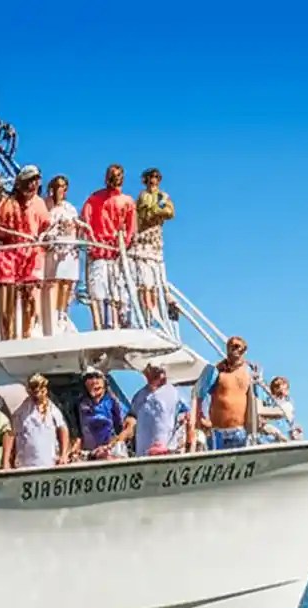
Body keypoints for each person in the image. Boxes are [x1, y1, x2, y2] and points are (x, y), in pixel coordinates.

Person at [0, 165, 50, 340]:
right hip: (9, 254)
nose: (32, 185)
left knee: (31, 294)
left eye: (35, 181)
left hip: (31, 254)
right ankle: (7, 336)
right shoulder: (6, 203)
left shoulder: (39, 203)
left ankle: (27, 333)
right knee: (7, 298)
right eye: (29, 181)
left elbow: (46, 226)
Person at [81, 164, 137, 330]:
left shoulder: (127, 201)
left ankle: (119, 323)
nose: (115, 178)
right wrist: (91, 242)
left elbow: (131, 228)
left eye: (118, 175)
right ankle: (101, 326)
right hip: (98, 252)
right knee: (98, 292)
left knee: (118, 291)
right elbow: (86, 221)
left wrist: (124, 245)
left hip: (117, 253)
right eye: (113, 175)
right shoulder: (94, 199)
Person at [192, 336, 255, 450]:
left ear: (244, 350)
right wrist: (199, 418)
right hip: (218, 432)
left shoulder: (249, 372)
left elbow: (255, 402)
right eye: (230, 346)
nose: (233, 349)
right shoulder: (216, 371)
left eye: (237, 346)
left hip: (239, 432)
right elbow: (198, 393)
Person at [133, 168, 175, 328]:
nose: (153, 180)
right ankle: (148, 313)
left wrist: (157, 210)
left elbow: (170, 212)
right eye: (151, 177)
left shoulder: (162, 195)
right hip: (144, 238)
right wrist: (157, 210)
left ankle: (159, 309)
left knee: (158, 275)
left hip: (155, 239)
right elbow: (144, 214)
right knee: (145, 279)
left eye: (156, 177)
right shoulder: (144, 196)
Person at [42, 175, 82, 335]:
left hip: (68, 248)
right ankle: (53, 312)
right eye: (60, 186)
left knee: (67, 282)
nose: (62, 190)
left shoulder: (70, 208)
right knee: (55, 281)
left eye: (65, 187)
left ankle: (63, 312)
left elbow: (75, 225)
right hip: (54, 249)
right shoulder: (47, 207)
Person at [128, 363, 192, 456]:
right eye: (152, 370)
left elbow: (186, 420)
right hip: (143, 453)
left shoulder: (175, 394)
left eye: (159, 371)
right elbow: (131, 418)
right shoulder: (139, 396)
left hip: (166, 452)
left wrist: (183, 445)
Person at [71, 367, 132, 461]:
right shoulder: (79, 404)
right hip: (89, 454)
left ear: (104, 382)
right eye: (90, 377)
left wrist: (110, 446)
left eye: (97, 377)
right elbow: (78, 434)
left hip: (112, 452)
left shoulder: (113, 402)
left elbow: (126, 429)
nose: (94, 381)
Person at [12, 373, 69, 468]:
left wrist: (63, 454)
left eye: (38, 392)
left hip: (49, 461)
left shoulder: (53, 409)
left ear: (44, 390)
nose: (35, 395)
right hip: (26, 463)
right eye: (32, 392)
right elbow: (14, 433)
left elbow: (63, 429)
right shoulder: (22, 411)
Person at [259, 375, 302, 442]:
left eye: (285, 389)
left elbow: (281, 413)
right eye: (278, 388)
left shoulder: (288, 404)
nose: (282, 391)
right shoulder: (271, 403)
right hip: (273, 438)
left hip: (286, 436)